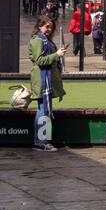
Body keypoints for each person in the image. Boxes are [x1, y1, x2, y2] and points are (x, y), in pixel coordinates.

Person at [28, 19, 66, 151]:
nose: (49, 29)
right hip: (43, 79)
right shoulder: (39, 40)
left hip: (46, 79)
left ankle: (41, 141)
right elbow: (39, 60)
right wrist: (57, 55)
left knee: (43, 109)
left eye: (51, 27)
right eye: (46, 26)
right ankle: (41, 142)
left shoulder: (45, 40)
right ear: (39, 26)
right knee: (44, 110)